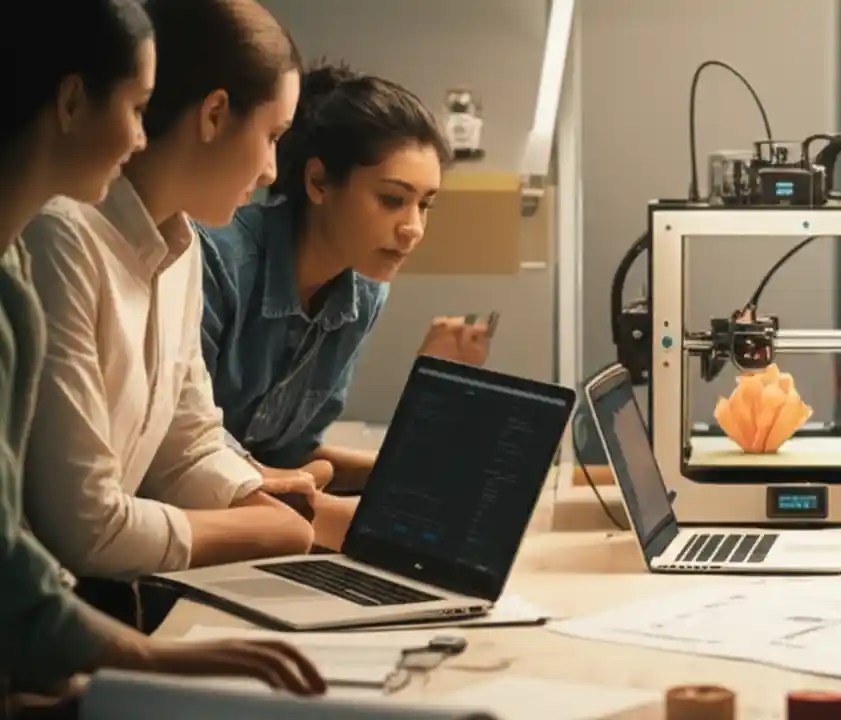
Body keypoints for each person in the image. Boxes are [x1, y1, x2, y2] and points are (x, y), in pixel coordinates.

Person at [0, 0, 323, 712]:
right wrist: (254, 525)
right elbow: (80, 528)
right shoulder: (54, 240)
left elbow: (186, 439)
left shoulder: (182, 249)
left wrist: (256, 496)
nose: (273, 171)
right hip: (62, 617)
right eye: (272, 136)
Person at [199, 63, 489, 493]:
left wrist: (421, 444)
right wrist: (308, 492)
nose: (414, 228)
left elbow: (291, 455)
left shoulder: (363, 293)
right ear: (318, 182)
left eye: (425, 205)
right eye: (393, 199)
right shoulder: (217, 261)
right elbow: (184, 450)